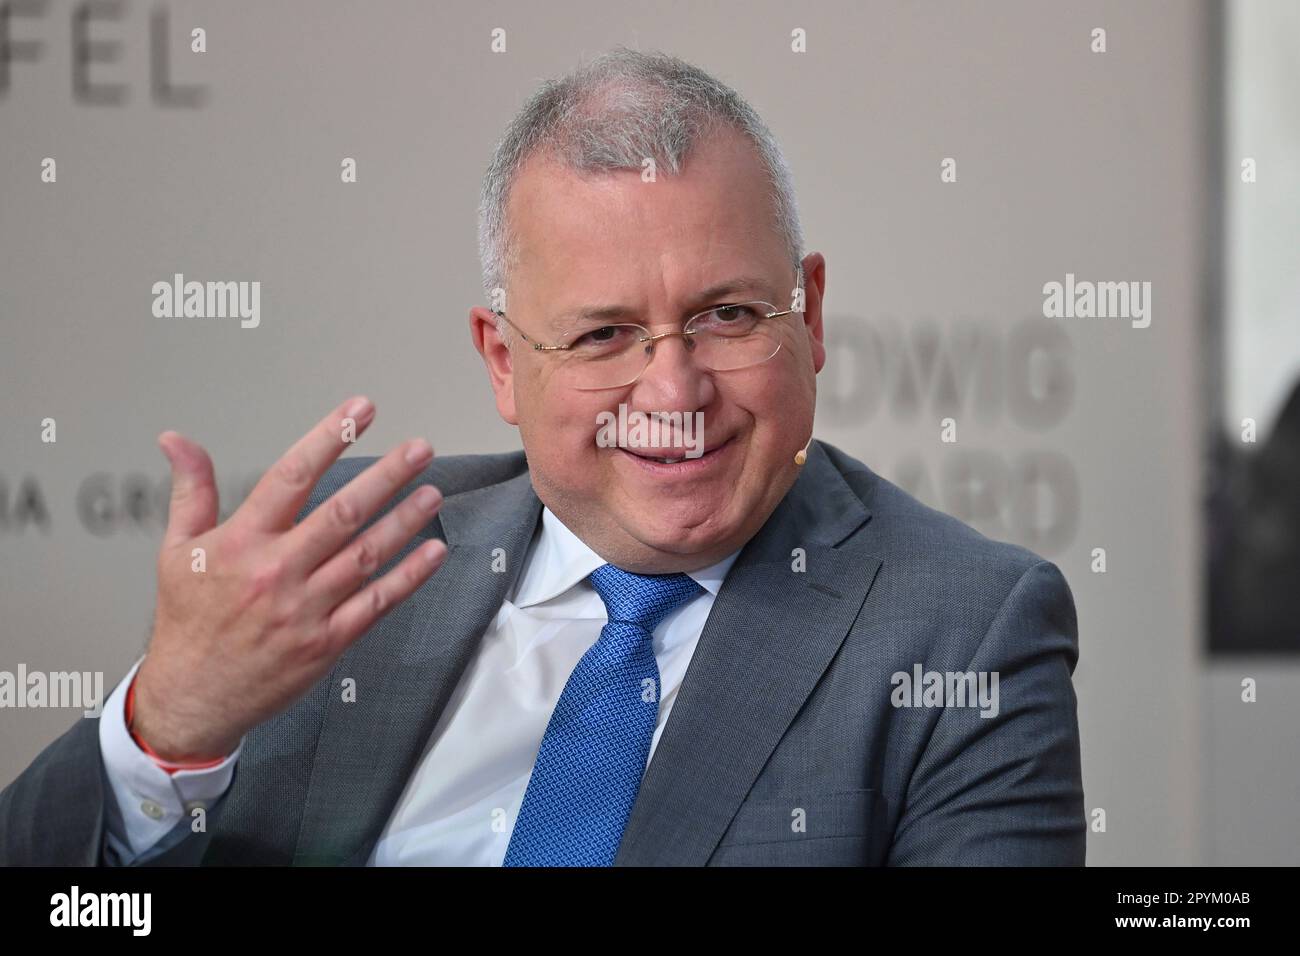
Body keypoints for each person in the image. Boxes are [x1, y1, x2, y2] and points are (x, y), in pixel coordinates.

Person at [0, 47, 1084, 866]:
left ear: (809, 312)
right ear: (503, 363)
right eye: (604, 334)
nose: (674, 392)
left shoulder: (962, 630)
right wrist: (163, 732)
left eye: (726, 314)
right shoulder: (350, 560)